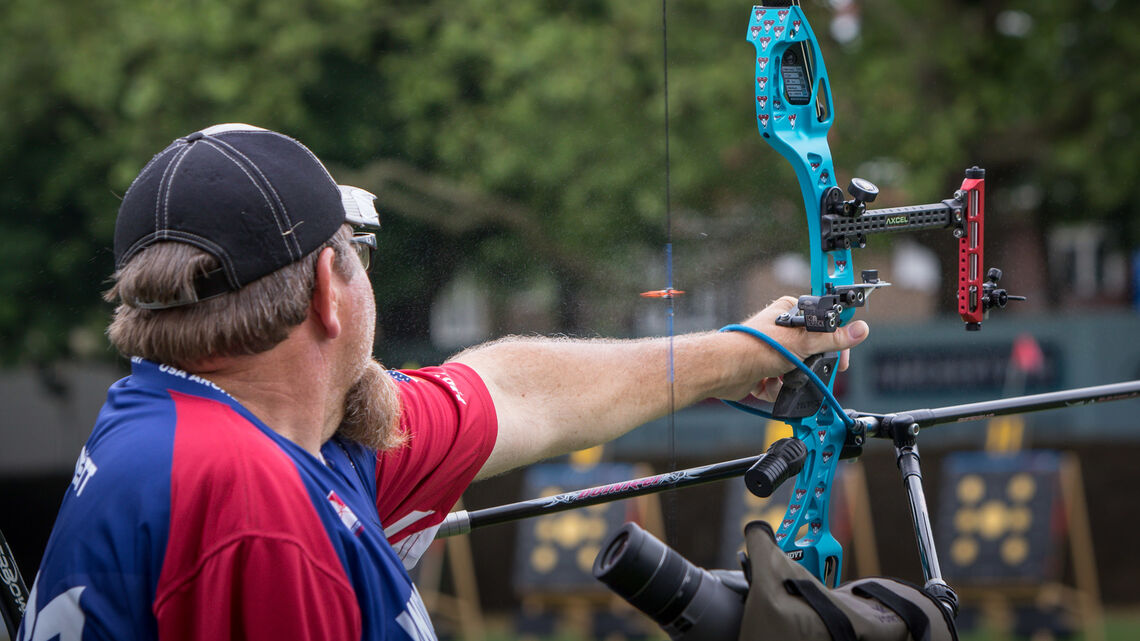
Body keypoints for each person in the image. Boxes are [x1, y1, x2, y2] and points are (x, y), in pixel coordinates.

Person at [18, 124, 869, 641]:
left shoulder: (247, 429)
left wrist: (748, 348)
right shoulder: (252, 507)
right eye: (359, 256)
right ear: (327, 289)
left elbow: (518, 390)